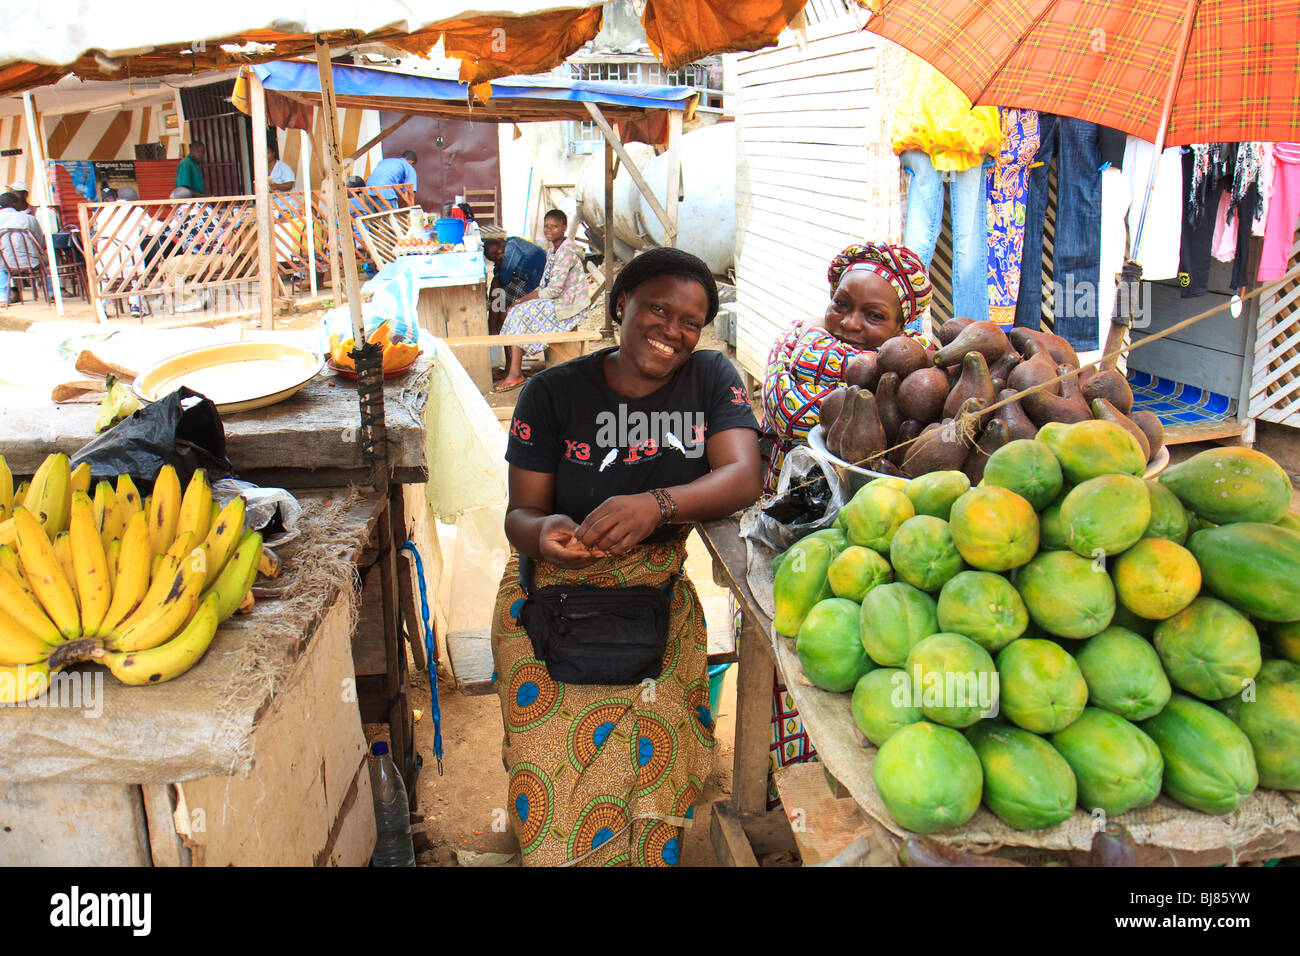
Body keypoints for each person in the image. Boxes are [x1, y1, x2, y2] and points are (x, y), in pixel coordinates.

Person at [492, 246, 763, 867]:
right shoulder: (552, 393)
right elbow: (519, 515)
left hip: (654, 588)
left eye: (689, 323)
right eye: (657, 310)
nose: (672, 331)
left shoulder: (712, 379)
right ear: (623, 305)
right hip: (554, 588)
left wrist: (657, 505)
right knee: (551, 741)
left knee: (653, 733)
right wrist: (544, 533)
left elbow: (743, 474)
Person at [759, 240, 934, 809]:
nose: (850, 324)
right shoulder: (796, 349)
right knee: (787, 674)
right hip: (786, 534)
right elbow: (794, 409)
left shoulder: (922, 384)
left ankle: (845, 800)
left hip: (870, 547)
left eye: (874, 315)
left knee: (850, 678)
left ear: (905, 326)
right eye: (842, 305)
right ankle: (790, 800)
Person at [493, 209, 591, 392]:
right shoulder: (553, 250)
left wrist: (522, 302)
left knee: (519, 312)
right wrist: (520, 301)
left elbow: (553, 290)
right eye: (546, 226)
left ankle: (515, 374)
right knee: (515, 310)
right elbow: (544, 285)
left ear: (564, 227)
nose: (549, 230)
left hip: (568, 305)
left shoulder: (566, 252)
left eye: (554, 226)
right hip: (558, 299)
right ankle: (512, 370)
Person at [483, 234, 546, 336]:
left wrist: (500, 266)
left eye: (497, 252)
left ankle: (494, 332)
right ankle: (495, 330)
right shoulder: (508, 246)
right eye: (494, 258)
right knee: (499, 295)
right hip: (531, 283)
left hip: (538, 288)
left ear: (501, 241)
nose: (499, 257)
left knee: (497, 287)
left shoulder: (512, 246)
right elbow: (500, 272)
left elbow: (505, 277)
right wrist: (499, 266)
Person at [0, 190, 49, 303]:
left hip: (6, 262)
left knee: (0, 268)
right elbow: (40, 242)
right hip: (32, 260)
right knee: (48, 263)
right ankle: (51, 293)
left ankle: (3, 296)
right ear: (14, 203)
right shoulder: (28, 218)